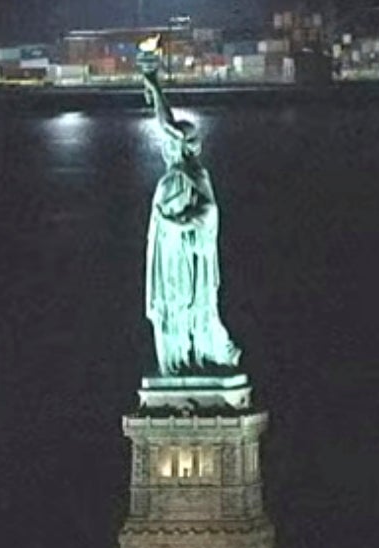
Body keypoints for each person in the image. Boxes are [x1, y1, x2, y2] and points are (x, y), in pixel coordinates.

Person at [138, 39, 241, 376]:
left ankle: (195, 355)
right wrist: (154, 87)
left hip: (188, 256)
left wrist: (180, 223)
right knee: (174, 307)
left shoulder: (192, 175)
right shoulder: (175, 177)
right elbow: (166, 127)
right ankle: (179, 358)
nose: (166, 148)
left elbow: (210, 212)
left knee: (191, 305)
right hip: (170, 256)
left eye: (172, 145)